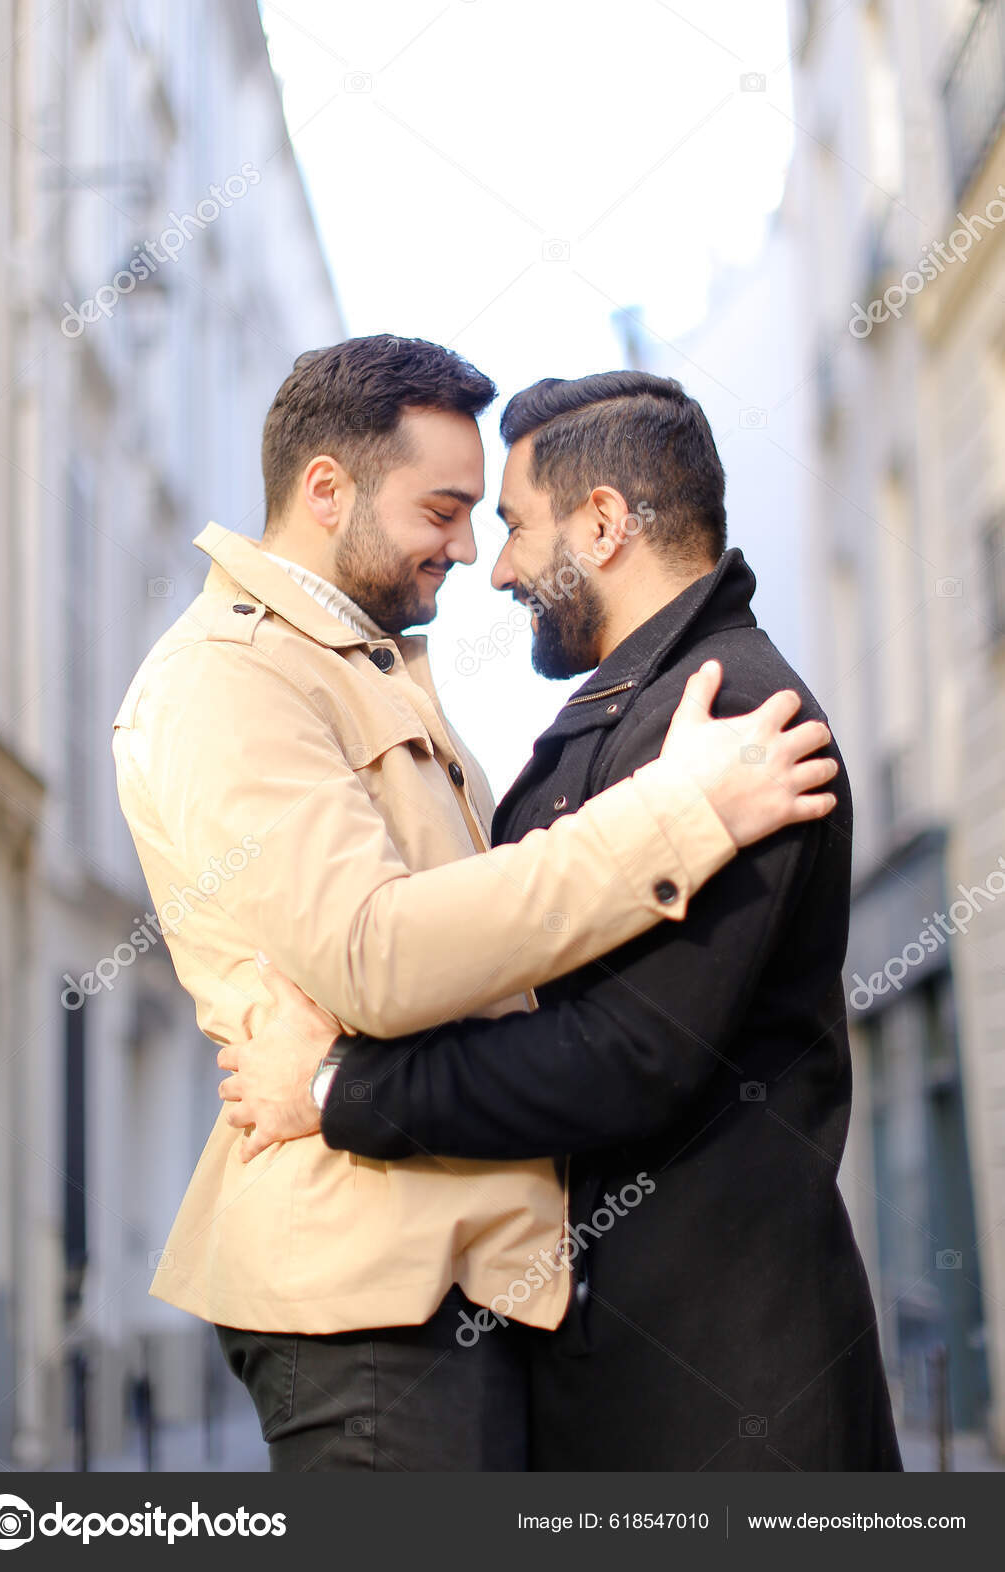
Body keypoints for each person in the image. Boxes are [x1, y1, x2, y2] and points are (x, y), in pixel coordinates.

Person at [219, 367, 900, 1473]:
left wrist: (337, 1087)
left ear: (602, 523)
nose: (494, 568)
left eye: (514, 527)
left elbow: (628, 1053)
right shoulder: (642, 704)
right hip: (644, 1371)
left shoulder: (729, 716)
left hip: (723, 1391)